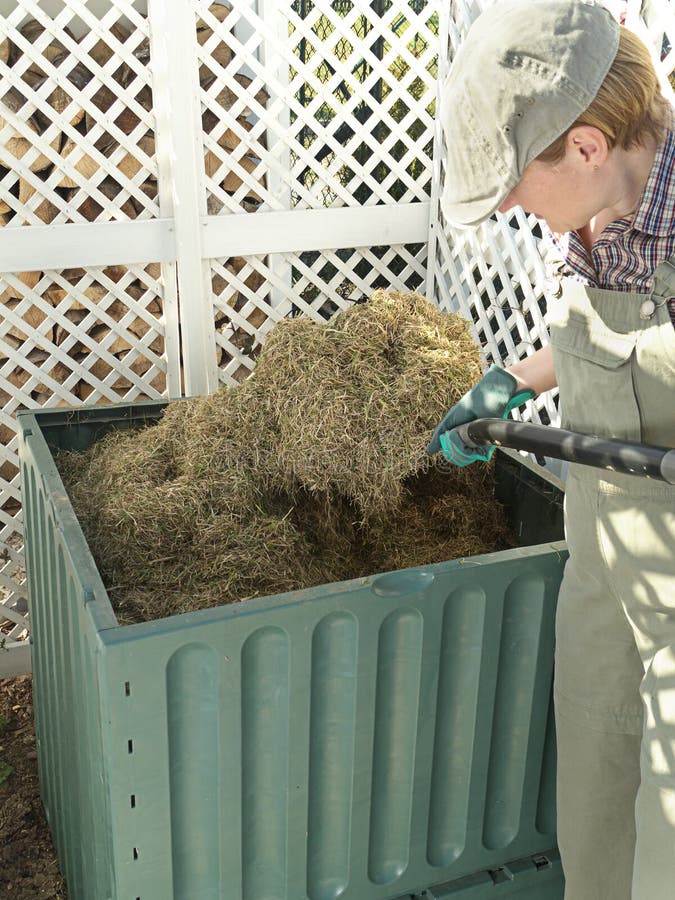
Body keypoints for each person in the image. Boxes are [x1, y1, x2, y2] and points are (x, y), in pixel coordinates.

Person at [426, 2, 675, 899]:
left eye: (516, 187)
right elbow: (604, 331)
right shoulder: (600, 206)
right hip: (601, 560)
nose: (515, 213)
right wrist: (515, 380)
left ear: (584, 145)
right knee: (594, 815)